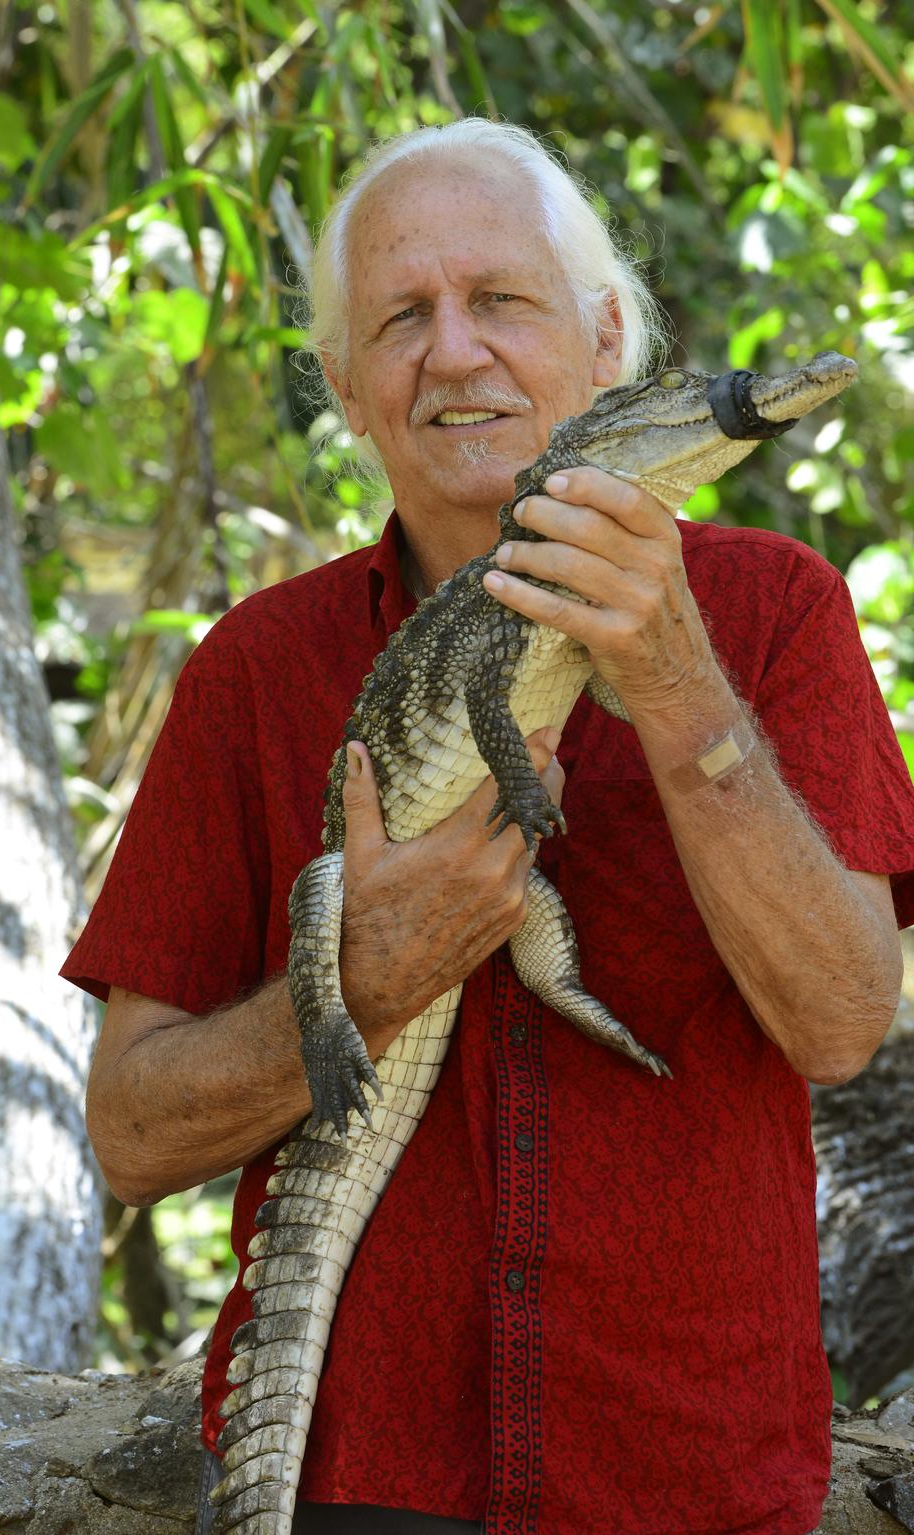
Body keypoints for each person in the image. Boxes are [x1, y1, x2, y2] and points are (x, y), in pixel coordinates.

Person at [63, 120, 914, 1535]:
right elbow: (132, 1135)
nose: (453, 353)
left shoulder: (779, 610)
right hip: (358, 1478)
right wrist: (366, 978)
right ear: (345, 384)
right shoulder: (255, 670)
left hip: (694, 1478)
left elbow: (842, 1023)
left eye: (499, 301)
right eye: (402, 317)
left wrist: (673, 675)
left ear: (604, 342)